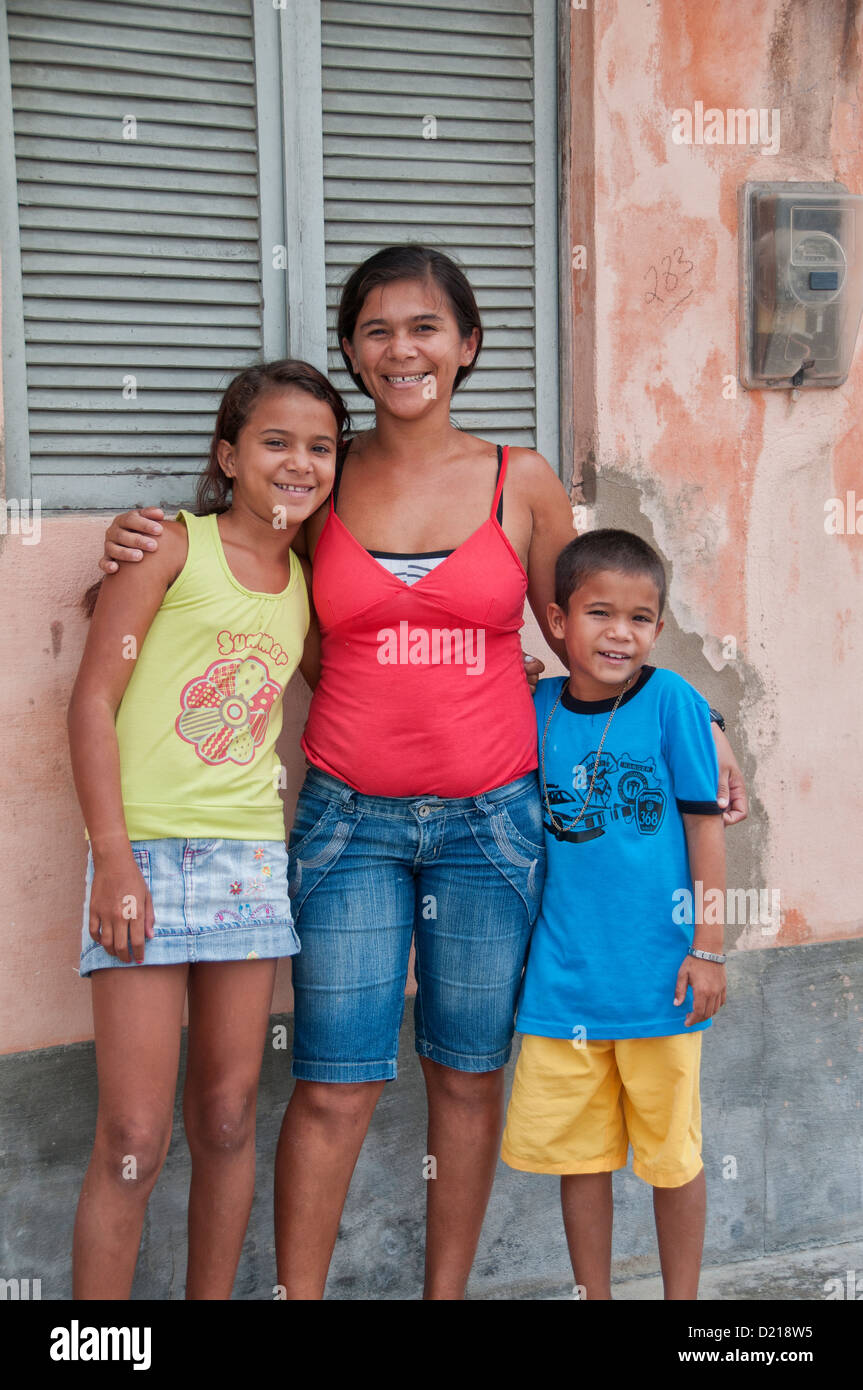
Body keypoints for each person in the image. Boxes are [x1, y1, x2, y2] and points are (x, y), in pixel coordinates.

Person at [97, 244, 747, 1300]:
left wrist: (700, 714)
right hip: (347, 823)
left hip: (493, 824)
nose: (402, 349)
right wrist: (148, 526)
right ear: (352, 350)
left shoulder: (517, 479)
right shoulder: (319, 471)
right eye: (377, 330)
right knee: (332, 1086)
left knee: (464, 1076)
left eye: (425, 327)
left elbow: (587, 625)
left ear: (467, 345)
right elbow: (247, 563)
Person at [68, 360, 347, 1299]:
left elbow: (359, 687)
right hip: (143, 855)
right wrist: (112, 860)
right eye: (276, 442)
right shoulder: (168, 547)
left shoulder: (307, 584)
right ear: (228, 457)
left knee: (227, 1117)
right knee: (133, 1139)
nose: (300, 462)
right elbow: (92, 704)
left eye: (320, 447)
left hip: (252, 862)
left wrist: (501, 676)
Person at [501, 529, 728, 1300]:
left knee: (674, 1157)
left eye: (639, 618)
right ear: (557, 620)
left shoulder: (671, 701)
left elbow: (704, 826)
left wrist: (709, 948)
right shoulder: (534, 709)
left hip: (659, 980)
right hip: (562, 986)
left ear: (657, 630)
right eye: (600, 613)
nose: (619, 633)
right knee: (579, 1159)